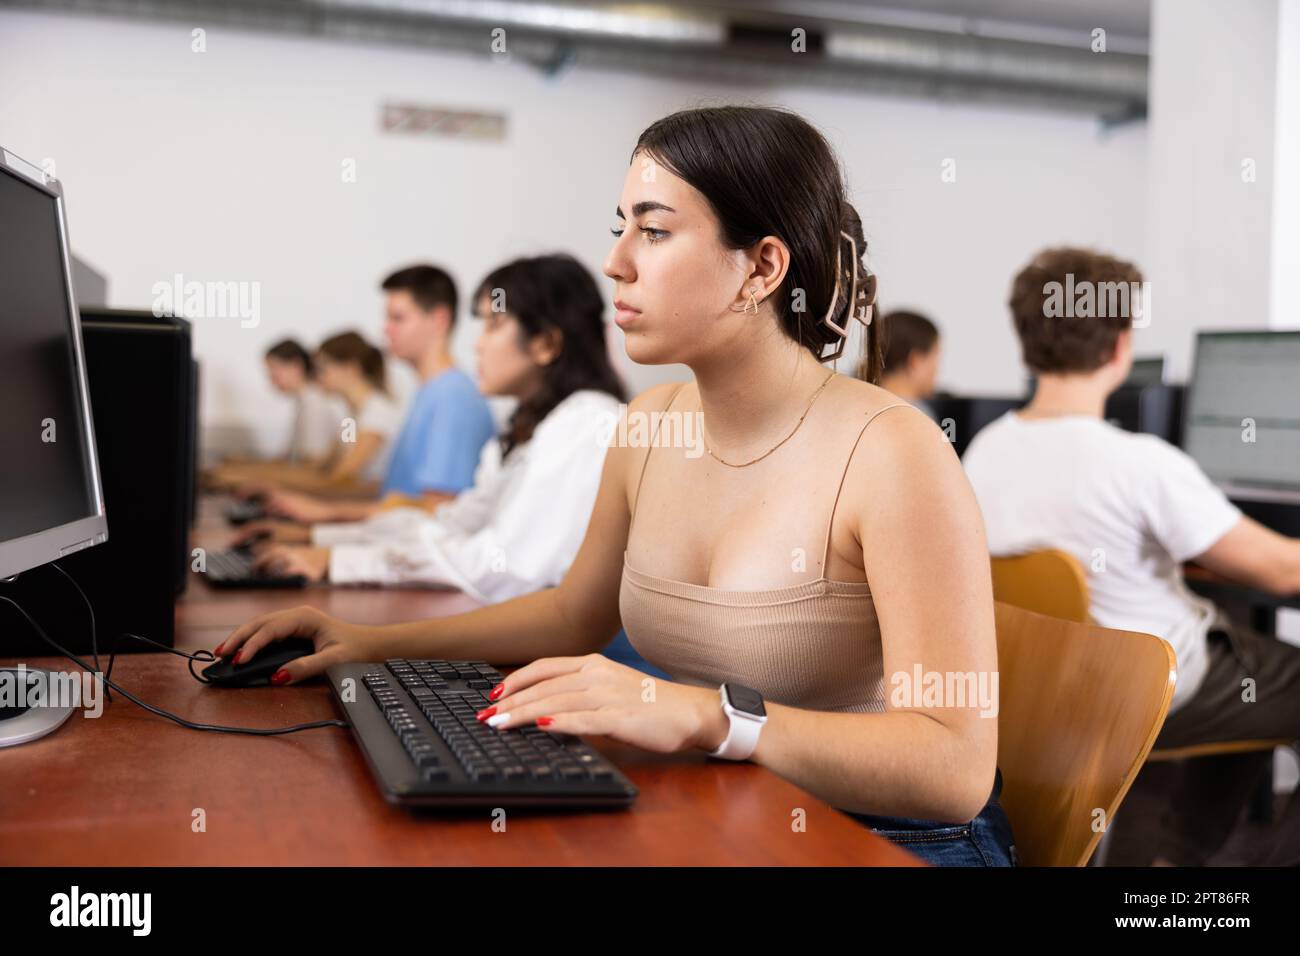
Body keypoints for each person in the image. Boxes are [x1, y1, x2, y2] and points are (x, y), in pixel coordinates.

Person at [214, 106, 1014, 867]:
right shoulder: (648, 424)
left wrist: (704, 715)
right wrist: (370, 645)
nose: (615, 261)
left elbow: (953, 765)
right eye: (620, 226)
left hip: (889, 839)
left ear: (763, 268)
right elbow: (575, 612)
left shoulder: (892, 450)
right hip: (740, 808)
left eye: (655, 231)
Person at [962, 246, 1300, 866]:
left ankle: (1173, 864)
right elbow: (1282, 569)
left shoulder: (983, 450)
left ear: (1026, 344)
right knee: (1270, 677)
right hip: (1140, 691)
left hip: (1034, 691)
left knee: (1252, 691)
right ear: (1121, 346)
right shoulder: (1141, 464)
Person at [247, 254, 628, 605]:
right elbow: (445, 524)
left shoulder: (582, 423)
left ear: (546, 342)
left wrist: (335, 555)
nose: (477, 345)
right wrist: (328, 544)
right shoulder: (527, 429)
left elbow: (499, 567)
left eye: (493, 324)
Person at [251, 266, 496, 523]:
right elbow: (395, 497)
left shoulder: (452, 398)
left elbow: (439, 514)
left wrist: (325, 516)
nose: (385, 330)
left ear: (439, 320)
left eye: (397, 318)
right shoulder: (428, 393)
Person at [264, 338, 346, 465]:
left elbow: (314, 462)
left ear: (296, 366)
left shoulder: (315, 403)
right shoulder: (304, 402)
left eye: (274, 371)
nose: (271, 379)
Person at [870, 310, 941, 420]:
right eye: (935, 358)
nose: (937, 370)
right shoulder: (919, 416)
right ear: (915, 363)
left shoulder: (858, 403)